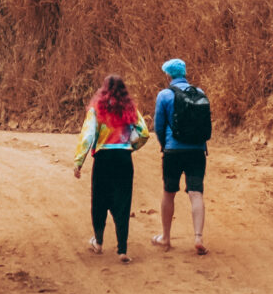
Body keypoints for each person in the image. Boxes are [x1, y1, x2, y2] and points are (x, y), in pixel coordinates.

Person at [72, 73, 149, 263]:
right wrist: (133, 146)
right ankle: (122, 250)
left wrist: (78, 161)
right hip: (124, 158)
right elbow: (144, 133)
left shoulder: (96, 110)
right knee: (123, 203)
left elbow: (87, 136)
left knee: (99, 201)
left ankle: (98, 243)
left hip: (103, 158)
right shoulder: (130, 109)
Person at [151, 58, 209, 255]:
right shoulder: (199, 93)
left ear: (168, 75)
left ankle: (166, 237)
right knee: (196, 193)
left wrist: (163, 145)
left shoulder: (165, 95)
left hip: (173, 150)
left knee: (169, 192)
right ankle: (198, 237)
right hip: (197, 150)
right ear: (184, 73)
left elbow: (158, 126)